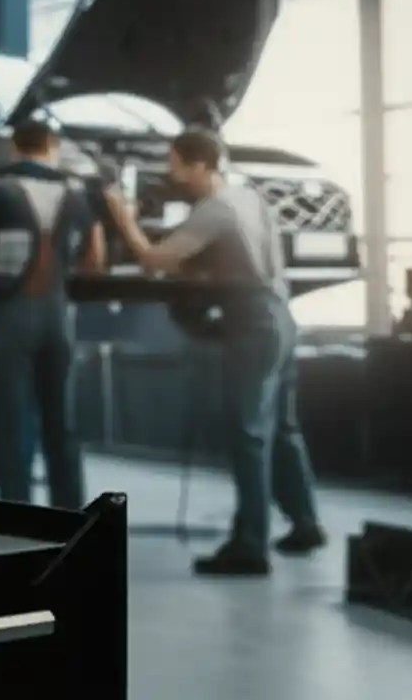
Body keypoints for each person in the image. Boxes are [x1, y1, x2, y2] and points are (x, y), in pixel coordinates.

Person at [105, 129, 327, 575]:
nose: (171, 174)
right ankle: (305, 523)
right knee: (282, 428)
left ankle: (249, 547)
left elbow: (154, 260)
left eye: (174, 165)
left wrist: (121, 215)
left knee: (247, 435)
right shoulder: (247, 197)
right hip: (281, 316)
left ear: (198, 165)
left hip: (253, 324)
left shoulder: (214, 211)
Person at [0, 120, 105, 509]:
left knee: (11, 421)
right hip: (58, 315)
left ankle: (17, 516)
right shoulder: (76, 194)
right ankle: (71, 514)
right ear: (51, 146)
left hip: (11, 312)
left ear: (15, 147)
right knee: (61, 423)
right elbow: (95, 259)